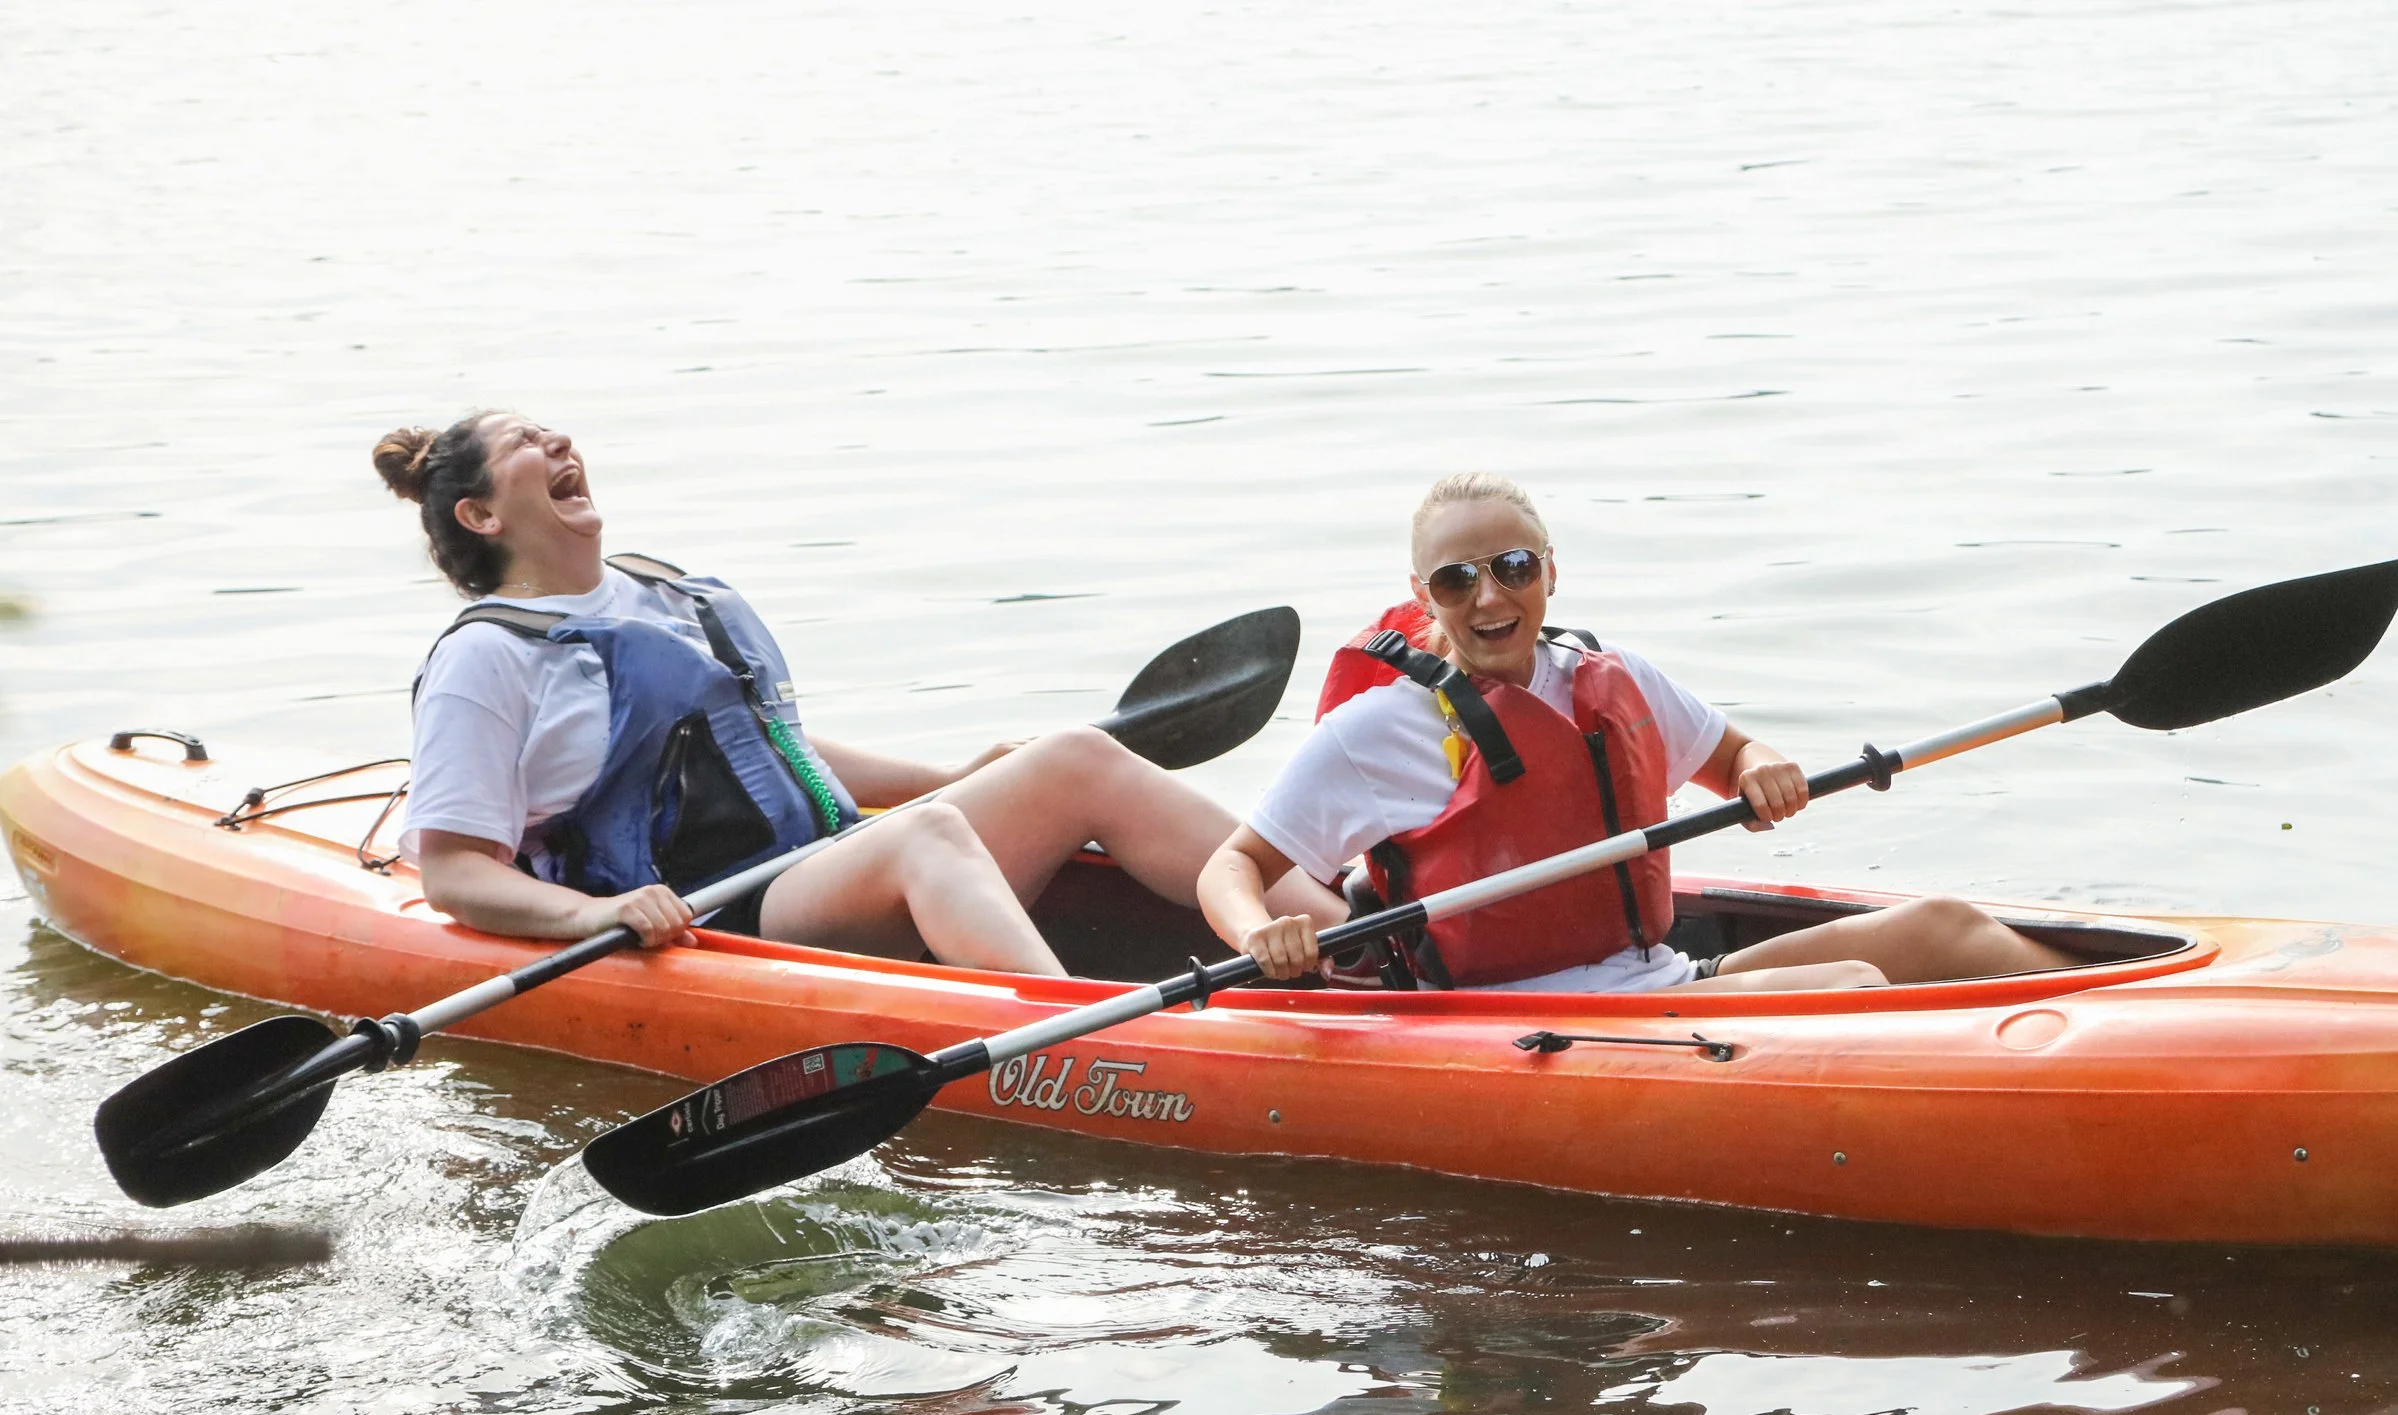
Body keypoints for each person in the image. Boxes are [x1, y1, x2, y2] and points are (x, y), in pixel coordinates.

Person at [375, 410, 1342, 973]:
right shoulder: (485, 662)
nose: (556, 438)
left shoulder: (654, 588)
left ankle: (1360, 940)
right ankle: (1095, 1041)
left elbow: (768, 740)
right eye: (523, 443)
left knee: (1074, 757)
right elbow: (456, 870)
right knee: (928, 833)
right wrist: (596, 916)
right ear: (482, 512)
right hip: (720, 916)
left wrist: (953, 771)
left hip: (817, 866)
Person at [1198, 472, 2085, 992]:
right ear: (1426, 592)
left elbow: (1737, 756)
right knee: (1852, 986)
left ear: (1549, 571)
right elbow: (1232, 868)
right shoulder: (1378, 730)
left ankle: (2129, 1008)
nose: (1489, 597)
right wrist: (1256, 934)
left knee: (1940, 927)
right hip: (1514, 1024)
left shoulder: (1603, 676)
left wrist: (1763, 771)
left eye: (1512, 568)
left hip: (1663, 985)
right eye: (1457, 579)